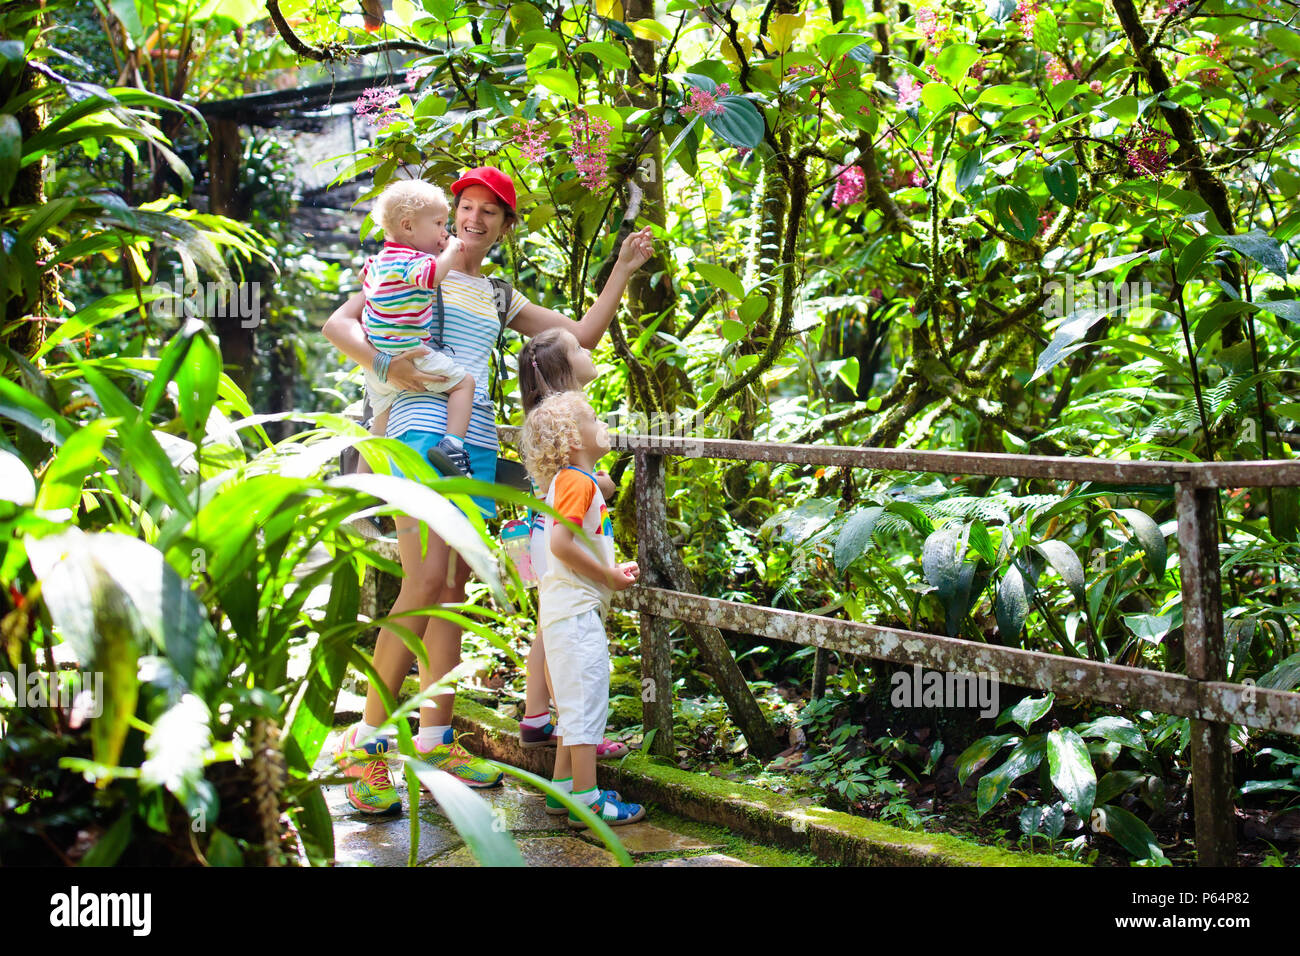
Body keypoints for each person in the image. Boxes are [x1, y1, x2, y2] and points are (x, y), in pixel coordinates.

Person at [323, 164, 654, 813]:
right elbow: (340, 326)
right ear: (449, 215)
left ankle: (436, 739)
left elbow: (581, 336)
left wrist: (621, 268)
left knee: (451, 589)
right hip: (417, 433)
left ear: (504, 226)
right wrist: (389, 367)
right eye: (465, 207)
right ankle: (365, 744)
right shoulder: (417, 265)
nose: (473, 219)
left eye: (489, 211)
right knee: (422, 583)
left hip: (471, 442)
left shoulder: (500, 295)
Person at [520, 390, 644, 827]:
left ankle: (562, 790)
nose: (602, 423)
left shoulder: (570, 482)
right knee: (586, 707)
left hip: (566, 613)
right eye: (594, 418)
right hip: (574, 616)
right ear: (573, 438)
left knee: (573, 705)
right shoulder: (578, 481)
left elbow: (574, 542)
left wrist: (609, 568)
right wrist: (608, 576)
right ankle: (588, 802)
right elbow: (560, 544)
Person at [515, 329, 629, 762]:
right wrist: (601, 485)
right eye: (578, 348)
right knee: (560, 628)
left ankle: (541, 717)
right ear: (564, 368)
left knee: (551, 623)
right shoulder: (566, 421)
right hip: (553, 538)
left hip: (539, 535)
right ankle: (575, 728)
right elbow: (572, 490)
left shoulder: (547, 418)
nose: (588, 349)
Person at [360, 179, 476, 476]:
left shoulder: (377, 261)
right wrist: (452, 248)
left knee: (379, 421)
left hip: (376, 361)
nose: (444, 231)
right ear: (408, 226)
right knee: (465, 384)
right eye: (438, 223)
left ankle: (361, 484)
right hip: (409, 353)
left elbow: (365, 283)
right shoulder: (413, 260)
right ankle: (453, 444)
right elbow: (434, 276)